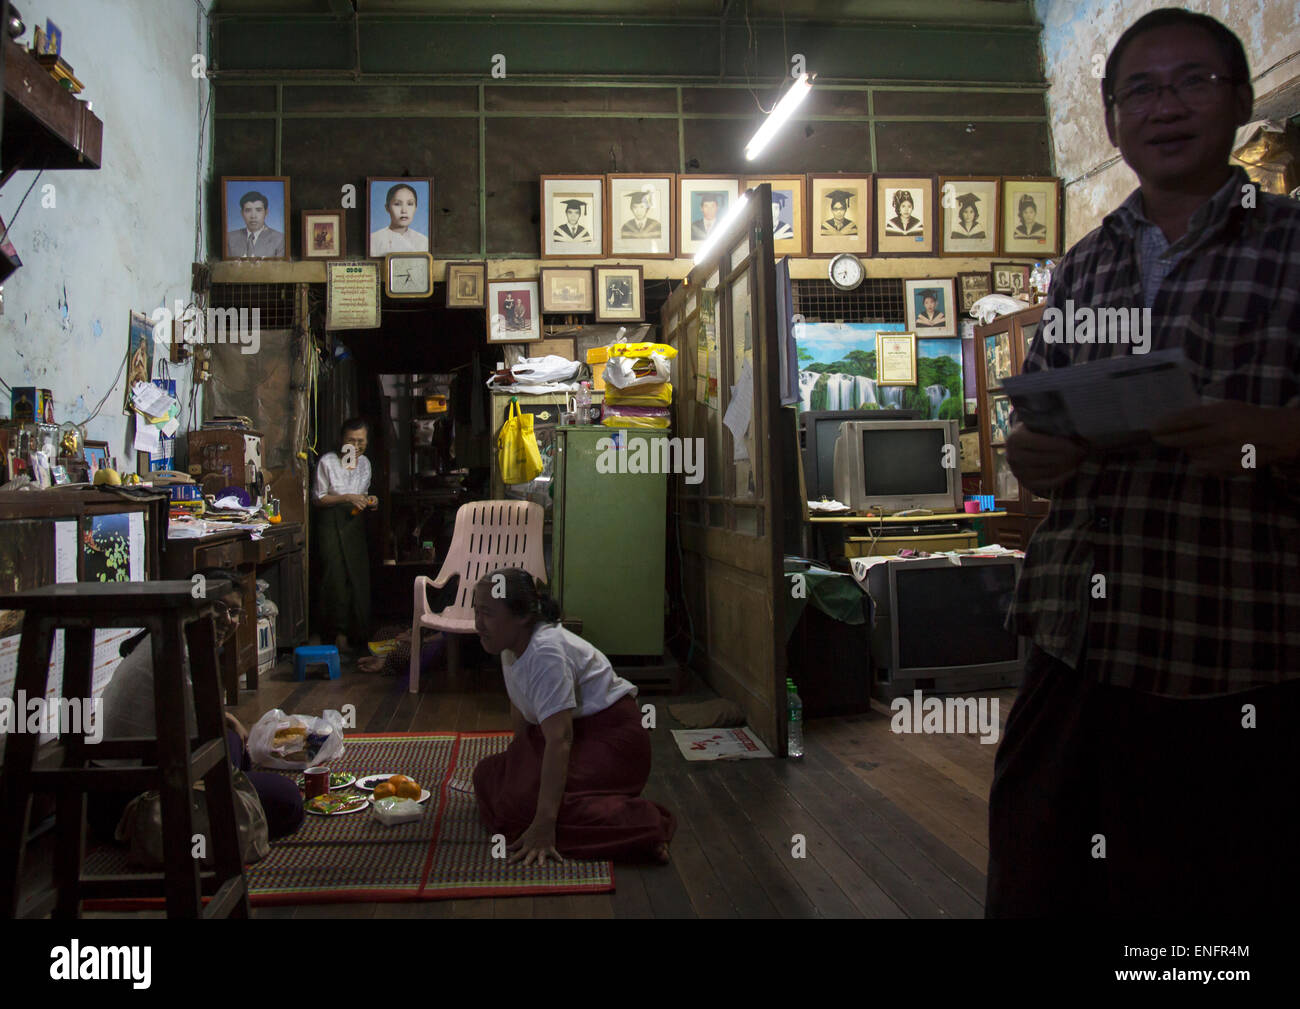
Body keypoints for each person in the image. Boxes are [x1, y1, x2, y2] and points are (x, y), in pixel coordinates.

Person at [987, 9, 1300, 918]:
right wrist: (1034, 452)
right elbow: (1038, 422)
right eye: (1141, 90)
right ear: (1112, 117)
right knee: (1042, 883)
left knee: (1204, 912)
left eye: (1194, 82)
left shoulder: (1288, 244)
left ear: (1240, 98)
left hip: (1234, 645)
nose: (1166, 108)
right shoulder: (1083, 266)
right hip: (1074, 643)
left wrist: (1276, 434)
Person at [470, 568, 676, 864]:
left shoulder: (545, 652)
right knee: (487, 774)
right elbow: (521, 708)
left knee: (525, 809)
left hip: (613, 741)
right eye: (476, 611)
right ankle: (563, 814)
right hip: (574, 732)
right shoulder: (508, 645)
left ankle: (644, 825)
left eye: (487, 613)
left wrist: (543, 824)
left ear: (522, 616)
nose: (478, 624)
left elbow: (560, 740)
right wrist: (520, 763)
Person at [86, 576, 305, 844]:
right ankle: (232, 802)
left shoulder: (170, 635)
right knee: (290, 801)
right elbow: (202, 747)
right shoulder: (182, 652)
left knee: (234, 738)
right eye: (217, 608)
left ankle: (240, 787)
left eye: (234, 612)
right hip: (131, 801)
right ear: (194, 605)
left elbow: (194, 720)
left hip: (144, 770)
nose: (227, 620)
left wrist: (227, 719)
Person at [312, 418, 377, 654]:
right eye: (351, 440)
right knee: (335, 577)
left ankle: (357, 634)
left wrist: (370, 500)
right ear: (342, 440)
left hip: (354, 523)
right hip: (330, 523)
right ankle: (336, 634)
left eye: (361, 441)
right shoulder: (328, 462)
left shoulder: (365, 464)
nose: (356, 445)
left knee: (356, 578)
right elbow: (319, 498)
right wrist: (347, 497)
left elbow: (364, 493)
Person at [370, 183, 428, 255]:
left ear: (415, 208)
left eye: (410, 204)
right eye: (397, 204)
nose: (404, 210)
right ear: (387, 208)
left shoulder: (424, 241)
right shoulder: (373, 240)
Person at [226, 190, 285, 258]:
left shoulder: (280, 239)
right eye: (248, 210)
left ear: (266, 212)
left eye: (258, 210)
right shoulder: (230, 238)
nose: (253, 216)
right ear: (242, 213)